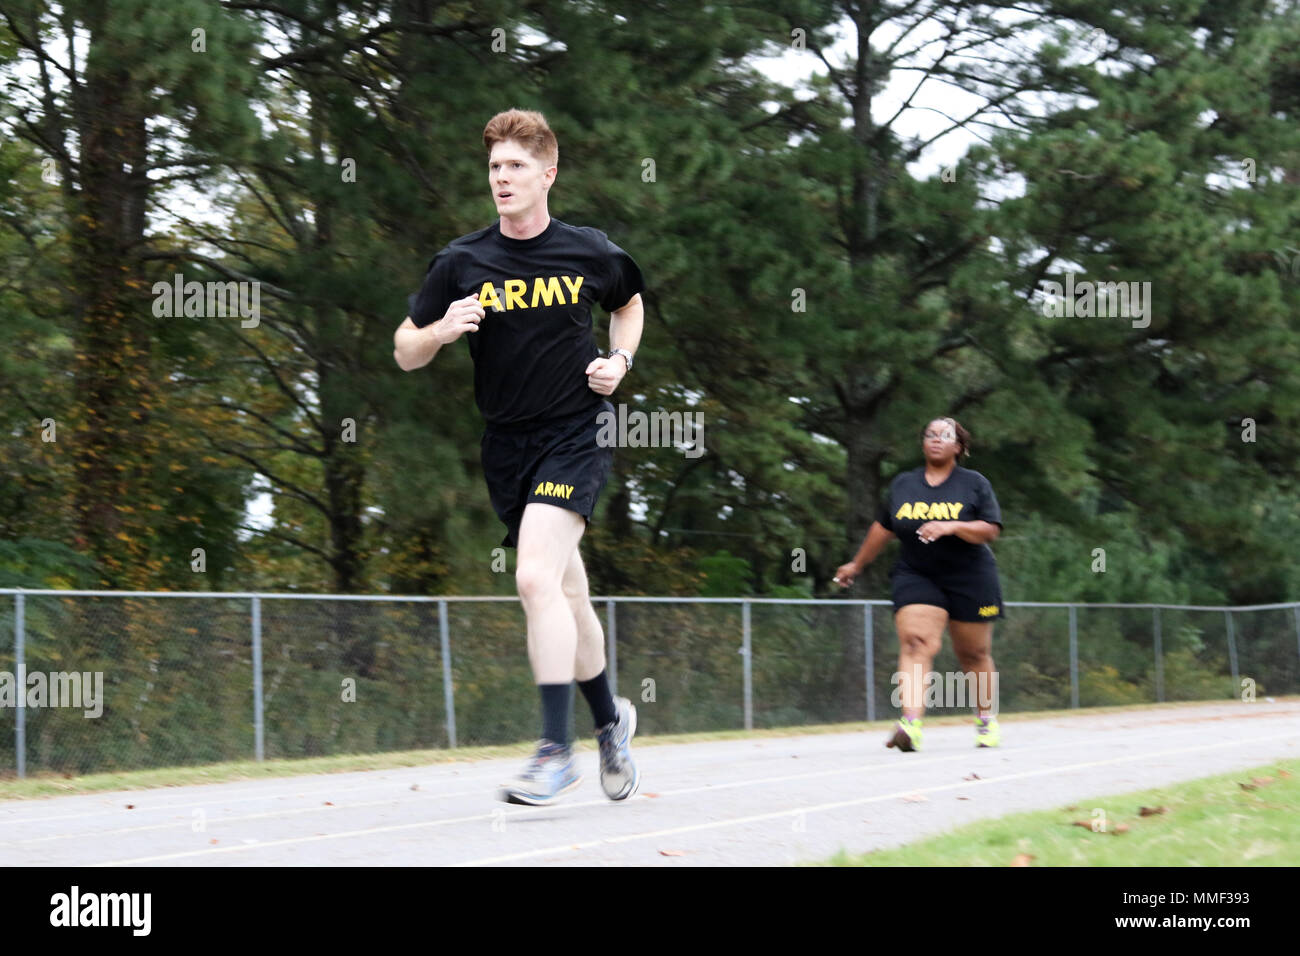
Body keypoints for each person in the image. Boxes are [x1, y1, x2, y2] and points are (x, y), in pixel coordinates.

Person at [393, 109, 644, 805]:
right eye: (495, 167)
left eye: (516, 167)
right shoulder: (462, 262)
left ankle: (554, 752)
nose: (502, 179)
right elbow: (404, 349)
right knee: (568, 594)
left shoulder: (589, 251)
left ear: (547, 175)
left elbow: (629, 304)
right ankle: (610, 722)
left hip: (577, 431)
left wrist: (619, 361)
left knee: (534, 578)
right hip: (507, 446)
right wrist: (441, 329)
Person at [834, 417, 1004, 750]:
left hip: (971, 576)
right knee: (916, 643)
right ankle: (910, 725)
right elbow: (883, 528)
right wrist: (857, 564)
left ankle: (986, 721)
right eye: (930, 434)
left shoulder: (974, 483)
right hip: (917, 573)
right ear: (923, 442)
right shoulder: (903, 484)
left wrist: (951, 526)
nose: (936, 439)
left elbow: (990, 529)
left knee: (974, 653)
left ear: (959, 446)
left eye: (945, 435)